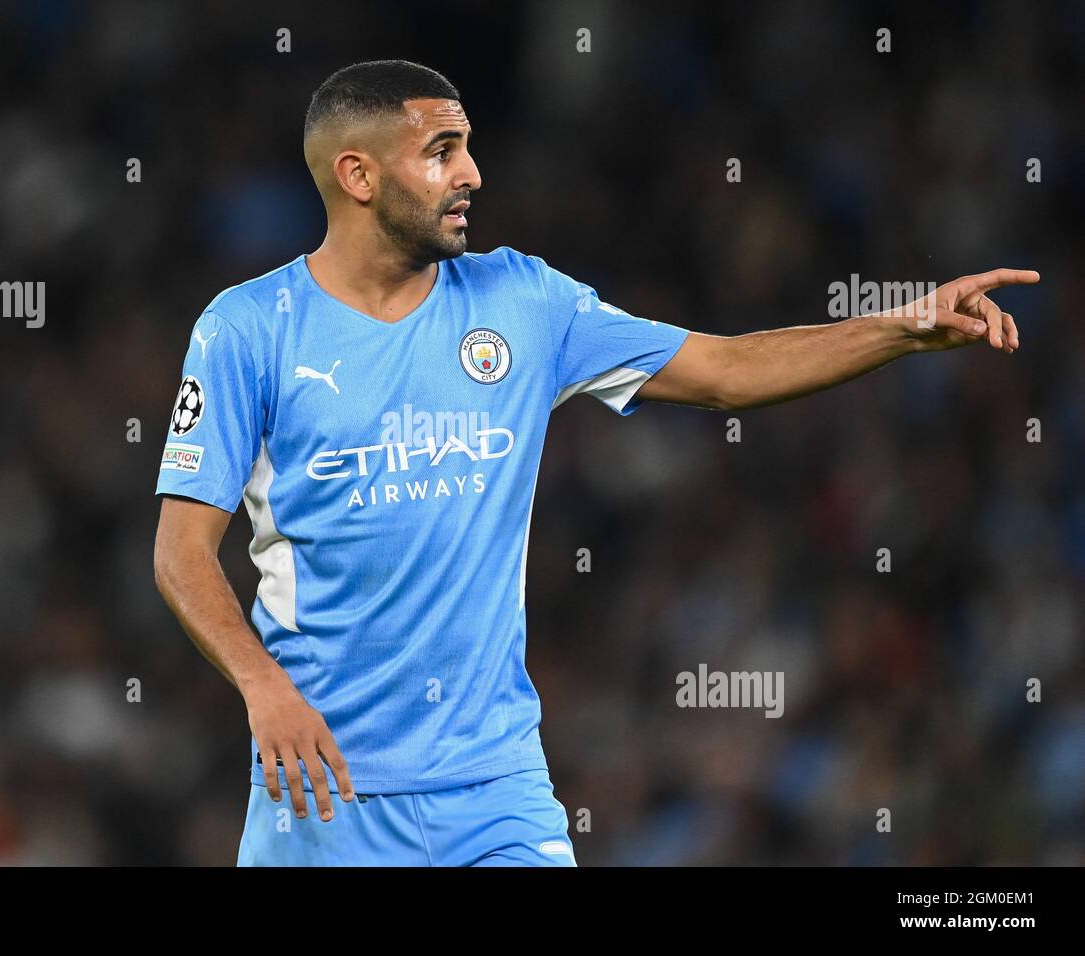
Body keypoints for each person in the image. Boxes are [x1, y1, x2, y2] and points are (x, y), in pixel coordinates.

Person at [152, 59, 1037, 866]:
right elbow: (182, 552)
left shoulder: (523, 300)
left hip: (494, 791)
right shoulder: (247, 331)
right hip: (323, 794)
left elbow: (726, 371)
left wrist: (901, 326)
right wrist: (262, 688)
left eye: (469, 148)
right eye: (443, 151)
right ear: (358, 174)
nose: (472, 174)